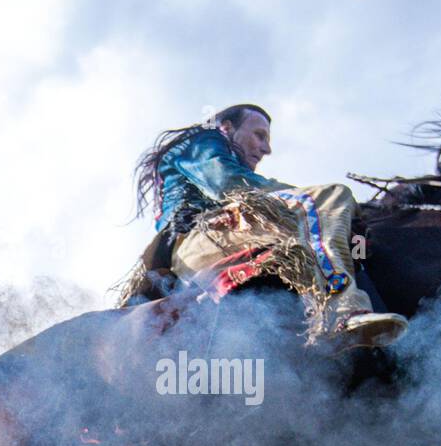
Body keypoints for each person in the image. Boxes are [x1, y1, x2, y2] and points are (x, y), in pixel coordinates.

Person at [129, 104, 407, 348]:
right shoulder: (206, 139)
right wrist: (314, 197)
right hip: (199, 240)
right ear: (226, 128)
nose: (267, 149)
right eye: (259, 135)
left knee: (336, 227)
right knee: (332, 196)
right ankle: (343, 312)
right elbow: (228, 184)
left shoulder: (209, 150)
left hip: (217, 237)